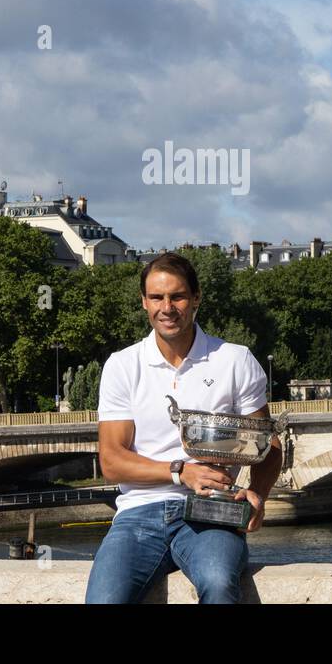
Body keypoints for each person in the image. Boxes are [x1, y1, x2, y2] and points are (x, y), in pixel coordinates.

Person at [85, 252, 281, 604]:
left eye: (177, 296)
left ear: (196, 299)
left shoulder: (235, 360)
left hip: (213, 511)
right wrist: (181, 473)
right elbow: (112, 461)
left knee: (219, 584)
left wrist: (259, 496)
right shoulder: (123, 365)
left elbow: (269, 446)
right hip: (138, 513)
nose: (167, 307)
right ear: (144, 303)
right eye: (157, 298)